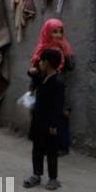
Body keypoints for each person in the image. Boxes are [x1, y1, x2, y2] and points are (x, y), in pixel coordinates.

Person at [28, 18, 73, 154]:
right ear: (47, 32)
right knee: (42, 118)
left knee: (60, 116)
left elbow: (70, 67)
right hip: (43, 90)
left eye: (61, 32)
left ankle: (62, 147)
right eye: (55, 32)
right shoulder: (41, 49)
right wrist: (32, 72)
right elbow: (36, 71)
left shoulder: (65, 47)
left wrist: (65, 52)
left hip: (58, 88)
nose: (58, 35)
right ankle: (43, 144)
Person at [25, 47, 66, 190]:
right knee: (37, 148)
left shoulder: (57, 82)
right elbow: (34, 77)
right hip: (38, 120)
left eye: (41, 61)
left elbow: (58, 106)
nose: (39, 63)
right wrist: (31, 72)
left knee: (51, 151)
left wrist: (54, 124)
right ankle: (36, 175)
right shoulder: (43, 78)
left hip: (49, 123)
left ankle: (53, 178)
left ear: (47, 63)